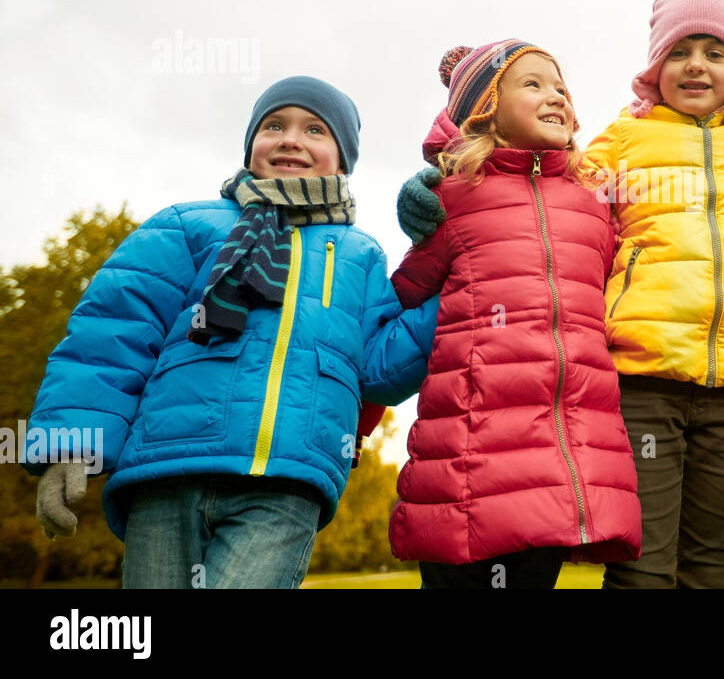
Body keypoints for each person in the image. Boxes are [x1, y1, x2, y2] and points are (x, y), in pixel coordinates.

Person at [25, 75, 439, 588]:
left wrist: (458, 297)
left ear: (343, 157)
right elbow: (111, 337)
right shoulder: (187, 225)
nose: (290, 138)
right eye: (273, 125)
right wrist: (69, 445)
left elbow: (378, 366)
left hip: (287, 482)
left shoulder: (360, 255)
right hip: (167, 470)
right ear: (250, 146)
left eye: (315, 129)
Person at [388, 40, 641, 589]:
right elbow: (401, 307)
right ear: (486, 109)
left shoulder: (595, 207)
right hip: (467, 457)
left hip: (558, 465)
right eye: (532, 84)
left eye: (560, 88)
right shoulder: (453, 200)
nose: (555, 96)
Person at [583, 0, 724, 588]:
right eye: (678, 52)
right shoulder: (626, 138)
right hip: (644, 378)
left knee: (712, 567)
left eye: (714, 52)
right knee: (641, 563)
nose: (696, 66)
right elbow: (553, 182)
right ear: (655, 66)